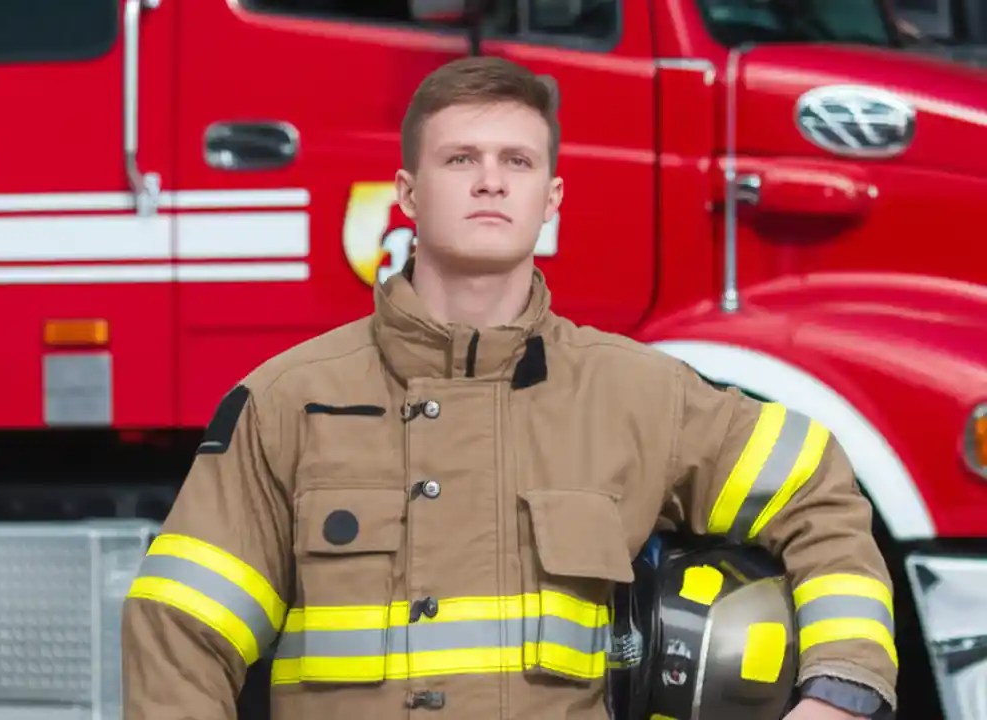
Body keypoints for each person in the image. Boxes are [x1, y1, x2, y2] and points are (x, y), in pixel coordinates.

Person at [121, 56, 898, 720]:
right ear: (408, 192)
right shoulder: (289, 403)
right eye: (461, 160)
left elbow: (814, 490)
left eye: (517, 162)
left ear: (550, 200)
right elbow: (181, 629)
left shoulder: (635, 395)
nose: (490, 182)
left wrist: (841, 688)